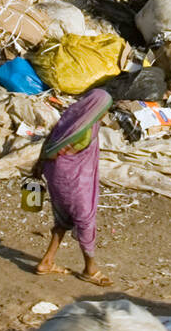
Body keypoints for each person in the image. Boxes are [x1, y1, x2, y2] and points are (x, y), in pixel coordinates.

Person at [33, 88, 114, 286]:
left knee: (64, 217)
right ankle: (90, 269)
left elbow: (50, 143)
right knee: (84, 219)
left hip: (55, 175)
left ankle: (47, 261)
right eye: (106, 110)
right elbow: (59, 151)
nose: (106, 114)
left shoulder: (72, 117)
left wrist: (39, 165)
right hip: (72, 179)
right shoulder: (83, 131)